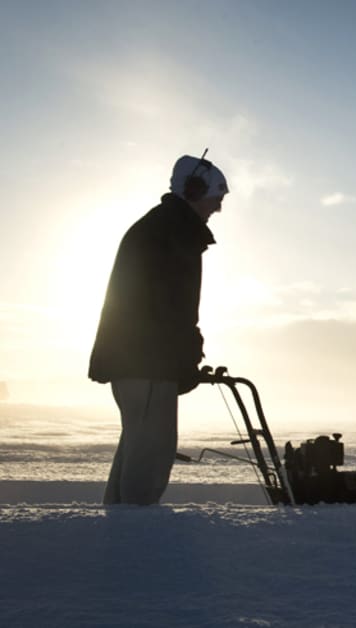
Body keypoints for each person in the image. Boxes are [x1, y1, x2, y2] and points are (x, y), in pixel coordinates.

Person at [89, 153, 229, 505]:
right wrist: (184, 360)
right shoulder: (172, 231)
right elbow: (171, 309)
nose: (218, 208)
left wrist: (184, 360)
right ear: (194, 190)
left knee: (136, 452)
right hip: (147, 364)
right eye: (216, 198)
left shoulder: (163, 227)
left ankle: (115, 539)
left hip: (138, 364)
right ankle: (136, 548)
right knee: (149, 460)